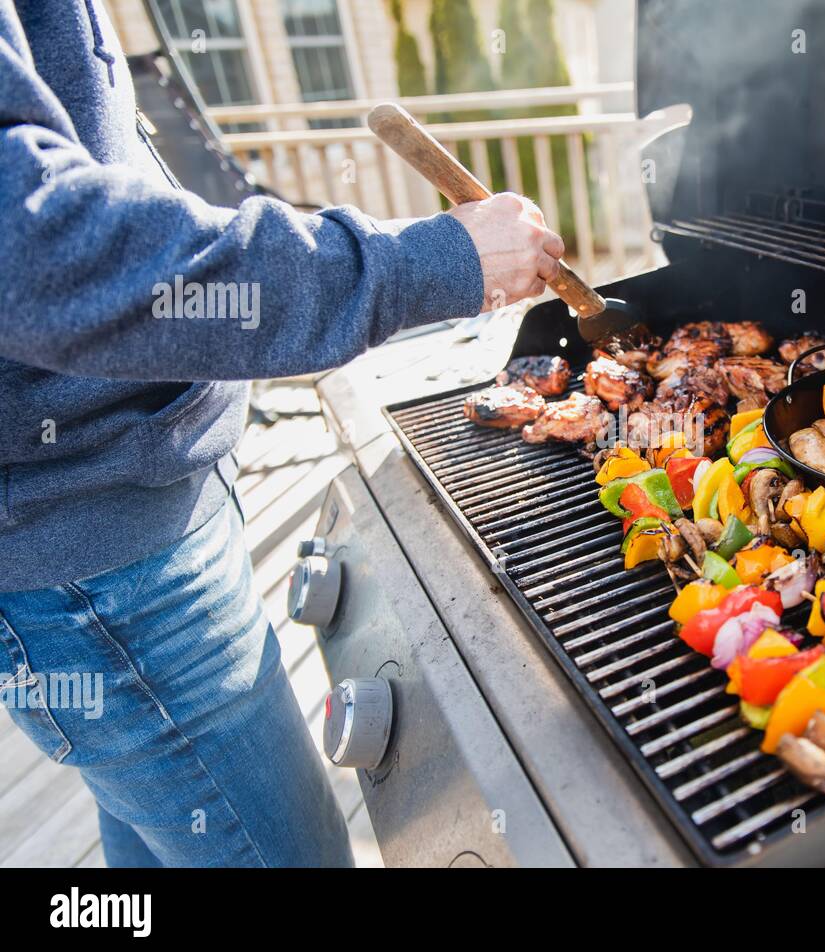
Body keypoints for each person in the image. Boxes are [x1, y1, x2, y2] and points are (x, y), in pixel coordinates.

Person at [0, 1, 562, 866]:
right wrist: (420, 264)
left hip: (132, 505)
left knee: (163, 829)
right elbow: (41, 249)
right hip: (98, 572)